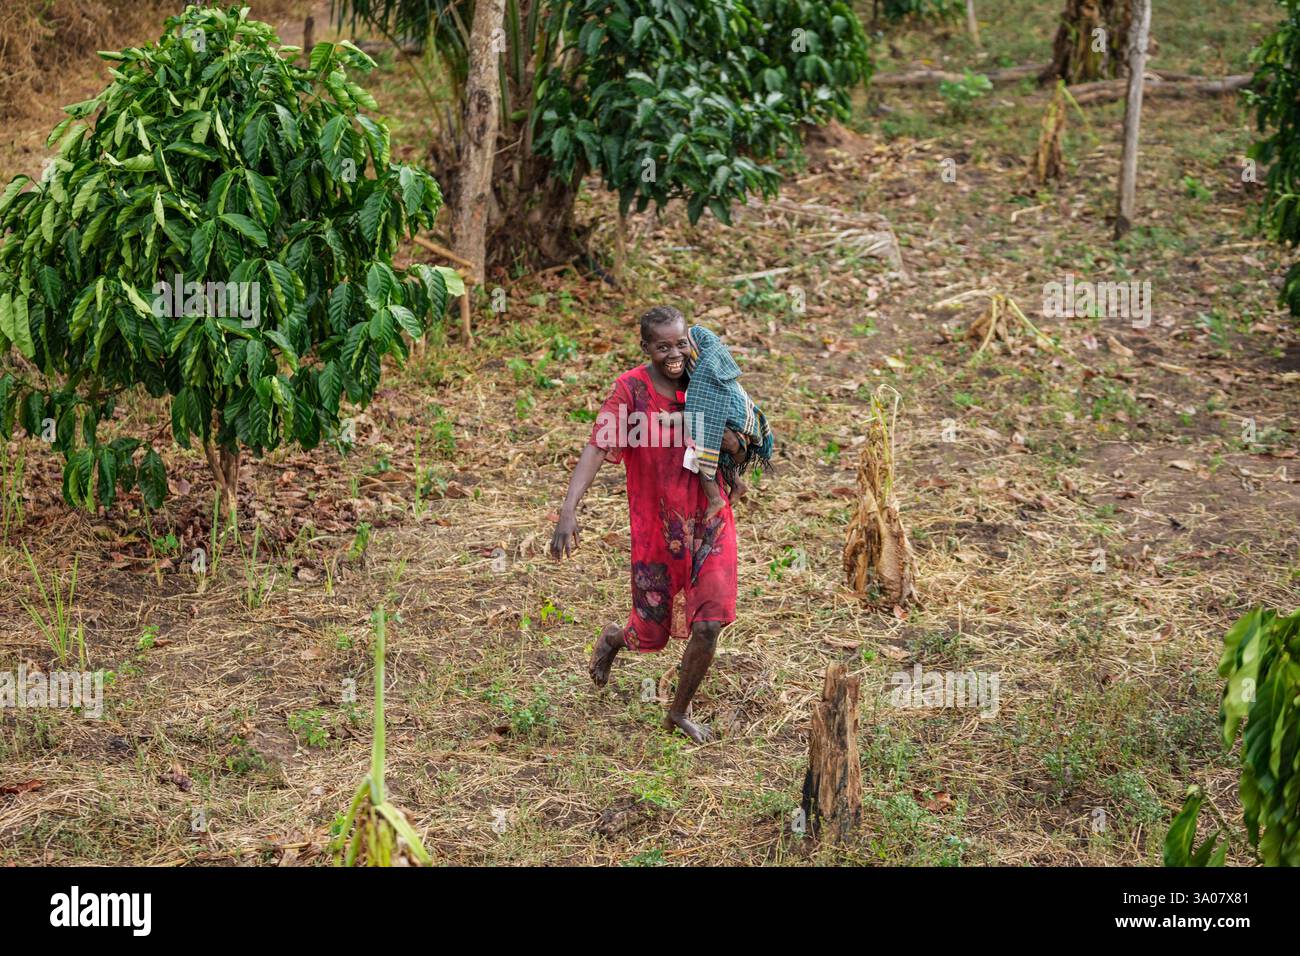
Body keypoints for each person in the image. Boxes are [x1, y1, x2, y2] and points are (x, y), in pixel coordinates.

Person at [550, 305, 743, 743]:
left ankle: (678, 712)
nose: (674, 354)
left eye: (680, 344)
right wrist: (568, 510)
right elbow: (598, 446)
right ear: (646, 348)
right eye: (663, 347)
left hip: (711, 517)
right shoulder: (631, 391)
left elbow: (740, 434)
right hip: (659, 528)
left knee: (710, 621)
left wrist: (731, 441)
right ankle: (615, 639)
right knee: (649, 627)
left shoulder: (707, 379)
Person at [682, 323, 773, 521]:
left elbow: (697, 415)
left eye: (681, 346)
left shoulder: (706, 381)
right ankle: (737, 483)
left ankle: (715, 498)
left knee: (704, 450)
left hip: (732, 422)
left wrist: (669, 418)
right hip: (735, 425)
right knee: (714, 447)